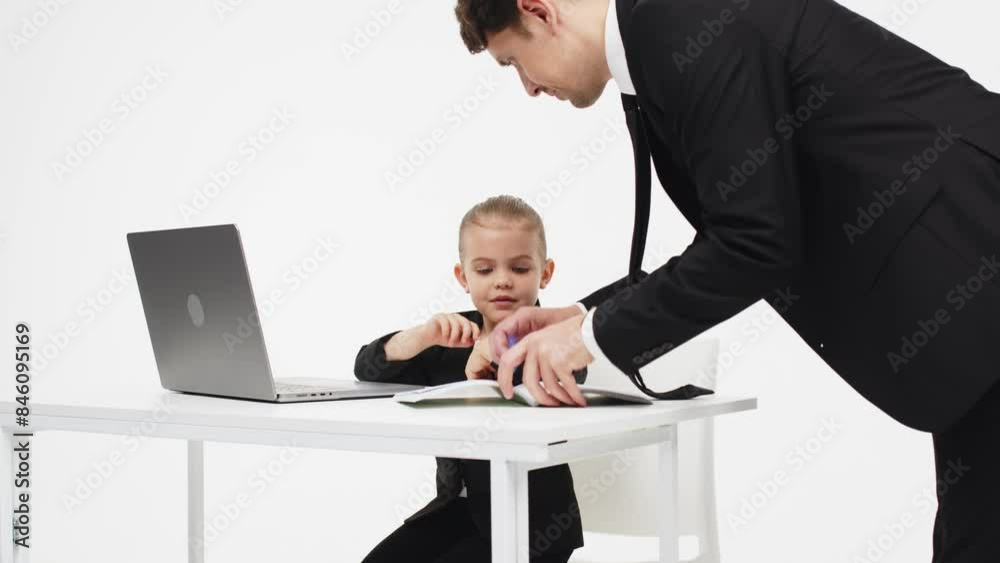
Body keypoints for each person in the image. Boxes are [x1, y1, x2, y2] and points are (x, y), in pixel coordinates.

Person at [452, 0, 1000, 561]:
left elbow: (754, 242)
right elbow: (740, 232)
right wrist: (580, 320)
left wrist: (588, 338)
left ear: (539, 11)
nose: (528, 87)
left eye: (514, 62)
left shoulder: (678, 21)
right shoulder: (662, 34)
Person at [354, 195, 584, 562]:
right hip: (455, 512)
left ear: (545, 273)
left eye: (519, 268)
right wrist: (417, 338)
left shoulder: (558, 336)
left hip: (535, 527)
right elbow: (368, 370)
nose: (502, 281)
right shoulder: (450, 339)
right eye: (485, 270)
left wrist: (499, 347)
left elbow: (565, 373)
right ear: (464, 277)